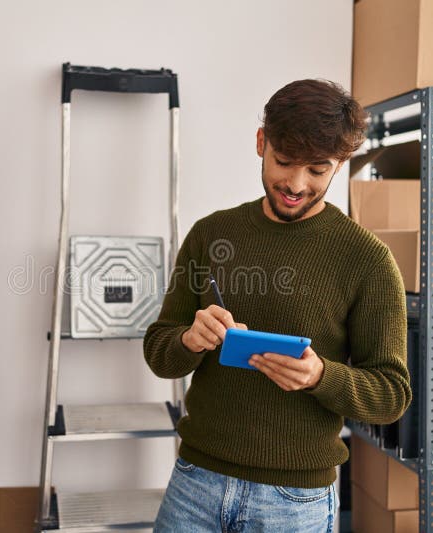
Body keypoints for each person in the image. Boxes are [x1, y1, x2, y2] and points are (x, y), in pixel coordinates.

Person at [143, 79, 412, 533]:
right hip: (195, 482)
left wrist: (321, 376)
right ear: (261, 142)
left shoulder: (366, 259)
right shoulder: (211, 235)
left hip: (294, 502)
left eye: (317, 170)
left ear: (340, 164)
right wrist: (189, 339)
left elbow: (392, 394)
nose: (295, 184)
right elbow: (159, 353)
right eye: (284, 162)